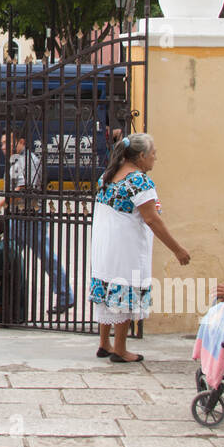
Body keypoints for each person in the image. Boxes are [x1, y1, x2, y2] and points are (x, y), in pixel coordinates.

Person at [89, 133, 190, 362]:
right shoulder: (139, 182)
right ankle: (120, 349)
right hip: (126, 248)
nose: (155, 158)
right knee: (125, 290)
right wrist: (177, 249)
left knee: (107, 290)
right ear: (142, 156)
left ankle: (104, 343)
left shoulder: (108, 175)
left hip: (106, 248)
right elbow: (153, 220)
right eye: (153, 154)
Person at [2, 131, 74, 314]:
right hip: (18, 215)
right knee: (7, 252)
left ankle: (66, 295)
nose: (3, 147)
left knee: (46, 256)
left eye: (6, 143)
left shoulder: (29, 160)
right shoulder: (16, 160)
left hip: (31, 216)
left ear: (21, 141)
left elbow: (24, 187)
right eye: (2, 144)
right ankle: (5, 296)